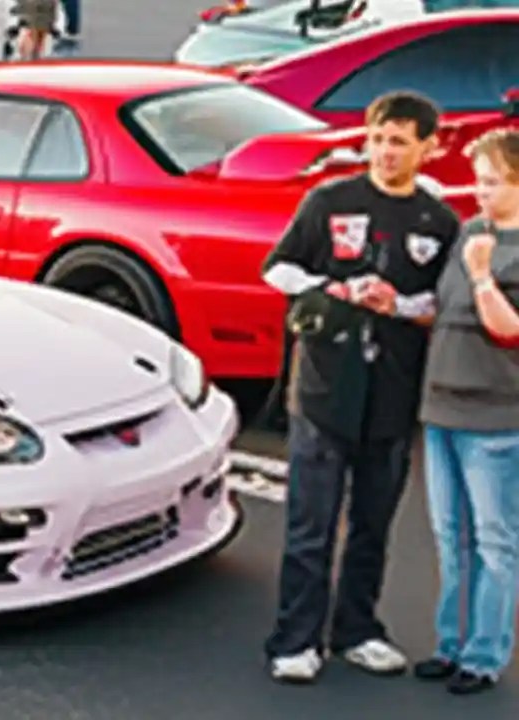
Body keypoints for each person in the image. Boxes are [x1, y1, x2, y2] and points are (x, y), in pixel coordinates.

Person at [259, 90, 461, 683]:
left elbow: (443, 305)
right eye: (377, 139)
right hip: (325, 389)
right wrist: (336, 288)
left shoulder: (437, 220)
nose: (385, 152)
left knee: (374, 524)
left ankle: (358, 630)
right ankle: (295, 640)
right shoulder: (329, 199)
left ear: (428, 146)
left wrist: (397, 303)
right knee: (309, 526)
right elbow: (279, 268)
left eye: (399, 141)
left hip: (393, 394)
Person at [414, 128, 519, 695]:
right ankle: (449, 645)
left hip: (497, 418)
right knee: (451, 535)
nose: (481, 192)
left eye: (495, 182)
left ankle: (483, 655)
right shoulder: (469, 232)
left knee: (497, 542)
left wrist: (483, 275)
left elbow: (509, 330)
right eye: (479, 180)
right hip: (442, 410)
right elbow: (444, 309)